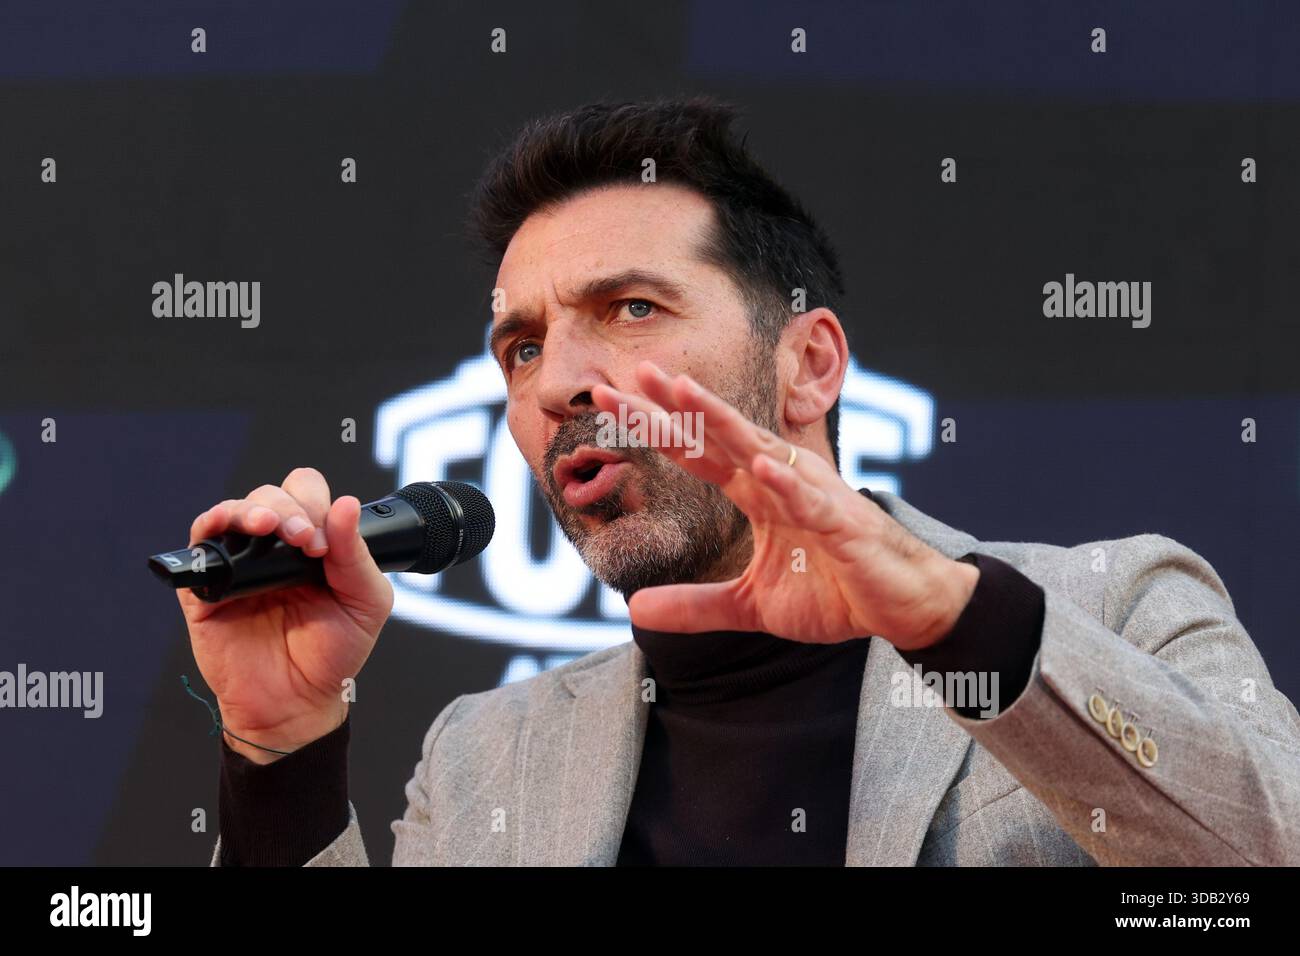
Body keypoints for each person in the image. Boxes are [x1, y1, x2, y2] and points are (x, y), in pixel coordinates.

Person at [184, 96, 1300, 866]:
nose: (561, 380)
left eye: (631, 308)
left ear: (807, 362)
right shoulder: (487, 753)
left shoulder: (1115, 604)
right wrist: (281, 750)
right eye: (521, 347)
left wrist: (954, 622)